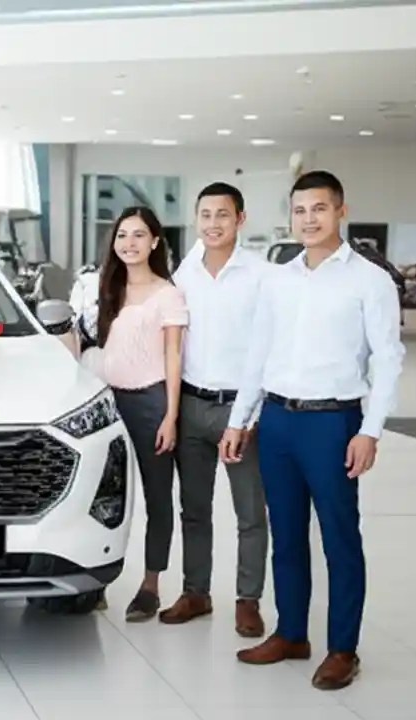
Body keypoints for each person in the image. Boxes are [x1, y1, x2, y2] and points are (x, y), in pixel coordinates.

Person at [224, 170, 405, 690]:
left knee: (340, 538)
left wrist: (370, 431)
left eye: (319, 209)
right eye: (300, 210)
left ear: (341, 212)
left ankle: (343, 648)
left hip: (333, 422)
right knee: (286, 535)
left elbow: (388, 360)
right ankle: (292, 633)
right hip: (278, 421)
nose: (309, 219)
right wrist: (241, 420)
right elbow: (258, 353)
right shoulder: (279, 278)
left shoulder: (368, 280)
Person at [160, 182, 270, 637]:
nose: (212, 224)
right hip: (190, 404)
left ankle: (248, 601)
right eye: (205, 215)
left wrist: (246, 417)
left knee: (250, 512)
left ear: (240, 219)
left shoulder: (262, 275)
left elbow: (267, 351)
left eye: (222, 215)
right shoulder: (183, 274)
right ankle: (196, 592)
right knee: (194, 508)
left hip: (239, 410)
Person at [93, 206, 188, 623]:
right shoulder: (107, 288)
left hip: (151, 404)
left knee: (157, 497)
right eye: (122, 235)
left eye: (138, 235)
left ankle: (150, 585)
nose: (128, 243)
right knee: (101, 494)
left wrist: (170, 415)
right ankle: (93, 580)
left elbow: (174, 356)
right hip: (109, 404)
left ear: (154, 241)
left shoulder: (168, 293)